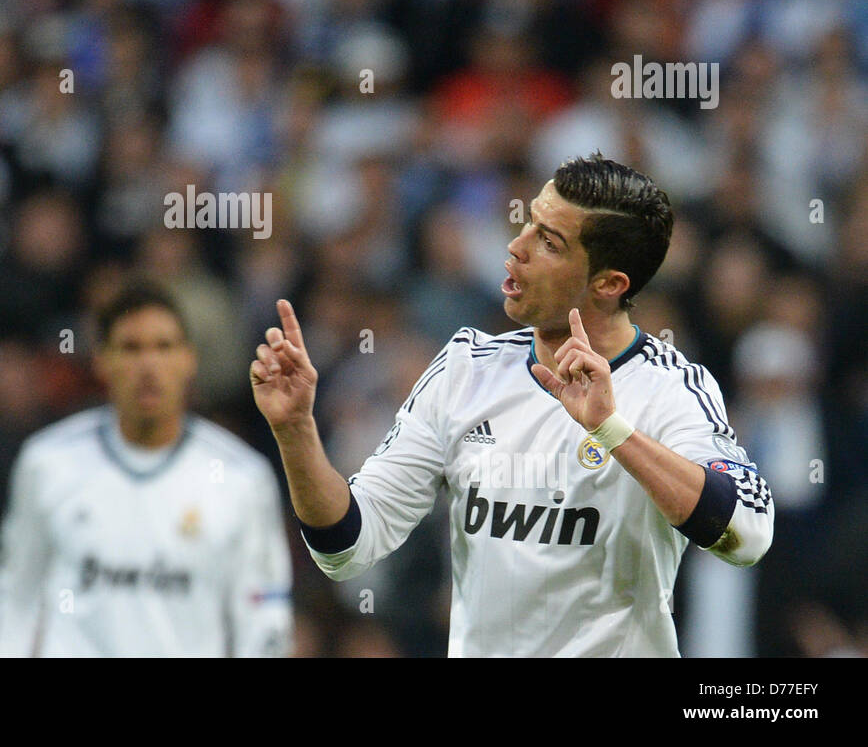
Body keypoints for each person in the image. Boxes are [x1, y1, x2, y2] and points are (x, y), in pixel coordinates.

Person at [251, 152, 774, 656]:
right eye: (527, 224)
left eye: (548, 241)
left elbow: (747, 534)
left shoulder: (671, 389)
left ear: (609, 283)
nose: (515, 247)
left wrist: (613, 431)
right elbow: (345, 546)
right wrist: (296, 429)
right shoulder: (464, 370)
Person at [0, 282, 292, 656]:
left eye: (163, 347)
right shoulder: (47, 462)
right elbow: (15, 599)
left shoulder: (241, 478)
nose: (148, 365)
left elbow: (262, 621)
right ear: (102, 360)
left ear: (188, 359)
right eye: (131, 348)